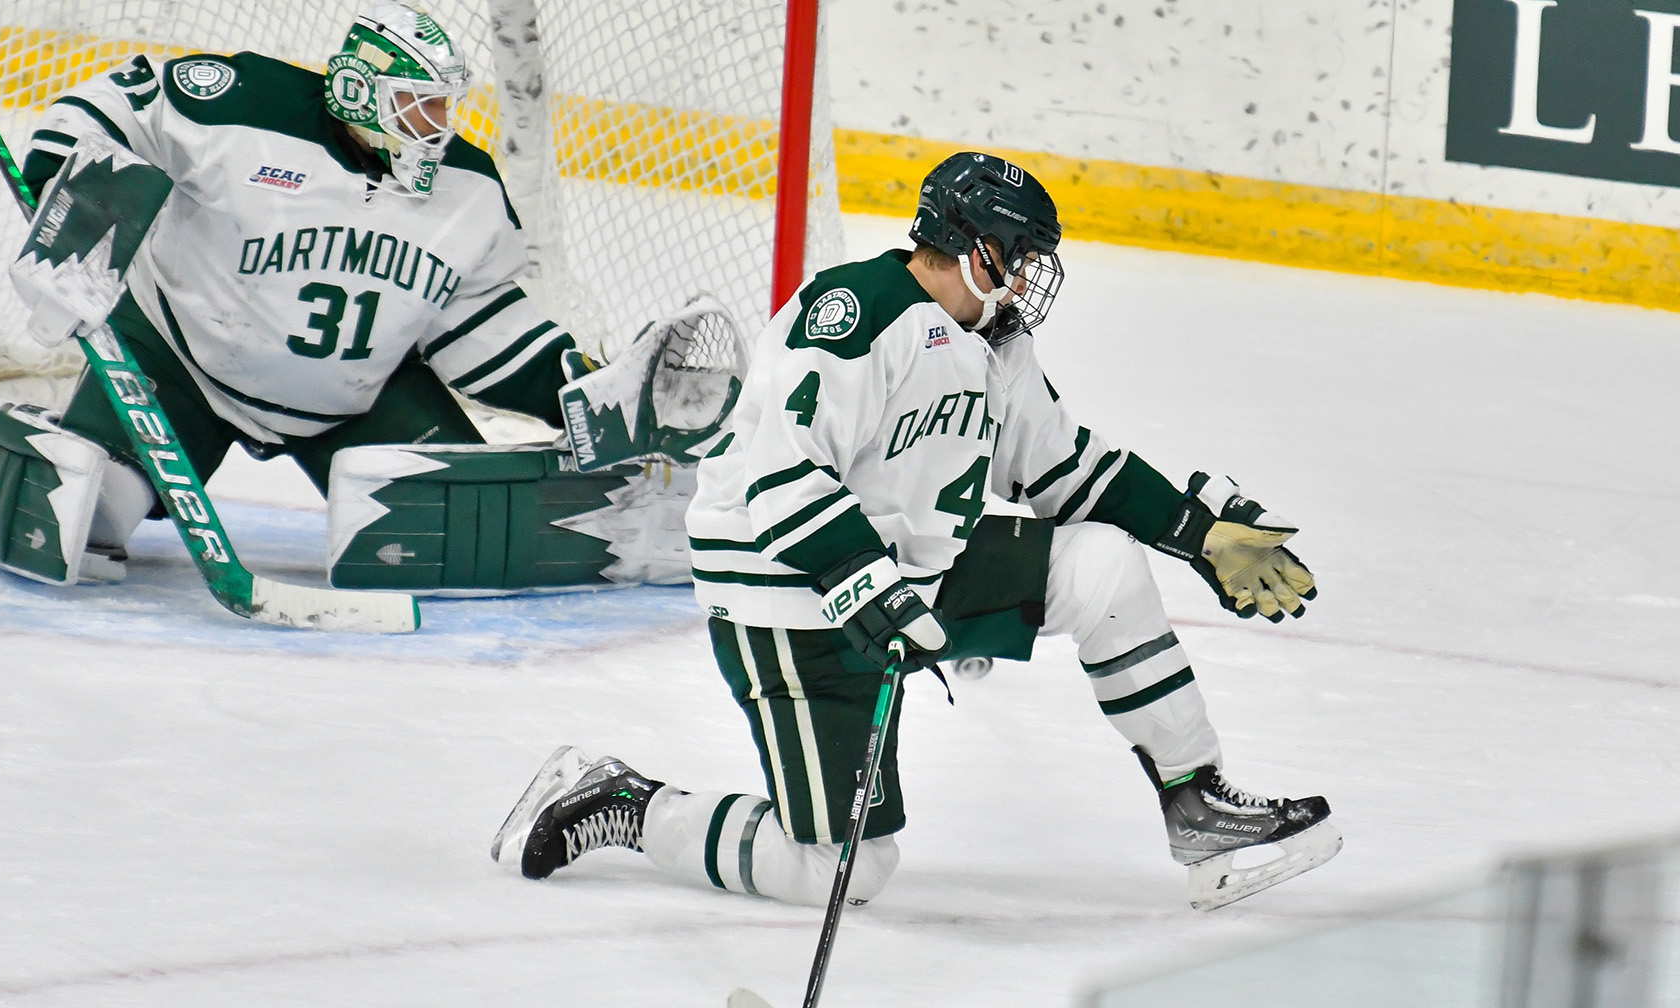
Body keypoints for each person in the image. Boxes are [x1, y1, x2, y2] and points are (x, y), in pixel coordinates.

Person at [491, 152, 1339, 911]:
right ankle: (624, 804)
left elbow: (1061, 468)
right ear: (979, 250)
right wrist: (862, 580)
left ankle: (1197, 804)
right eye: (1026, 255)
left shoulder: (992, 342)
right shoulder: (856, 309)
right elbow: (779, 474)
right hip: (787, 601)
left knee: (1103, 566)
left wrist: (1196, 532)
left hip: (912, 582)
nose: (1034, 275)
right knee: (840, 871)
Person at [0, 0, 730, 593]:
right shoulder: (238, 102)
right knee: (91, 517)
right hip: (180, 368)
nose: (439, 127)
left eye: (445, 106)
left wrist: (577, 390)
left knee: (446, 536)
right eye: (420, 105)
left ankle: (654, 524)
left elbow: (482, 323)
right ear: (358, 92)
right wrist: (70, 190)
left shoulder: (469, 190)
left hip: (359, 397)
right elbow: (107, 107)